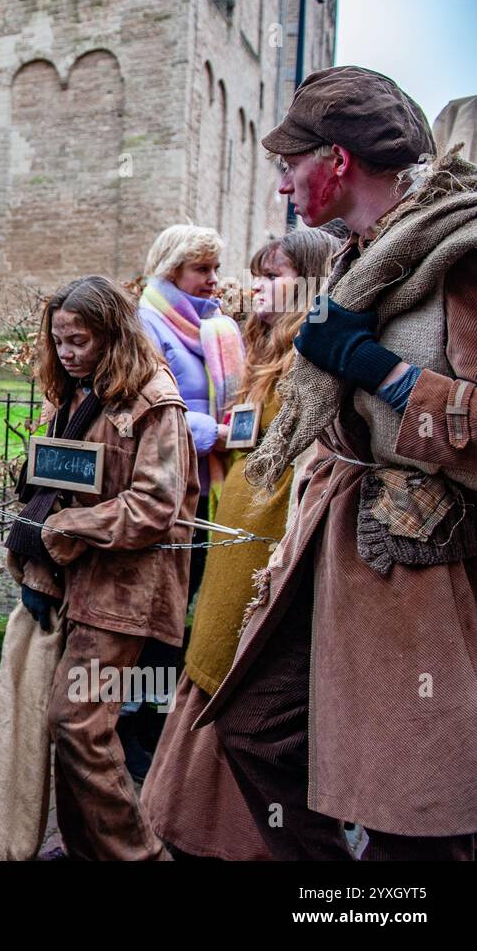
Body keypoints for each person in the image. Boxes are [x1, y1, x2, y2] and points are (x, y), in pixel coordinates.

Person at [200, 65, 477, 860]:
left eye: (292, 163)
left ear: (338, 160)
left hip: (420, 572)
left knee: (417, 821)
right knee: (254, 728)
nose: (284, 183)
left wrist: (377, 370)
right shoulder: (363, 257)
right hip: (335, 545)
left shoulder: (458, 252)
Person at [140, 228, 338, 860]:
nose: (249, 286)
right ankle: (206, 832)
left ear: (309, 283)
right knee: (212, 670)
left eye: (269, 274)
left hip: (268, 542)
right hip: (236, 527)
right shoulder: (258, 347)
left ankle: (245, 841)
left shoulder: (315, 356)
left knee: (242, 687)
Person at [0, 275, 197, 860]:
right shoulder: (80, 394)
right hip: (77, 581)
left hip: (128, 589)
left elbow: (155, 507)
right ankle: (87, 848)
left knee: (79, 722)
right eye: (58, 341)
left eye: (79, 340)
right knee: (71, 725)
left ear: (114, 334)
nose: (67, 353)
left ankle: (139, 854)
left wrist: (65, 529)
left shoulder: (153, 401)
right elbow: (58, 483)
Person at [126, 224, 245, 775]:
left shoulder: (213, 327)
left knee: (183, 598)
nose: (214, 280)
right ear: (173, 269)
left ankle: (155, 720)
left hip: (204, 490)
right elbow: (147, 400)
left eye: (215, 269)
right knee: (155, 604)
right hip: (164, 487)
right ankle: (135, 727)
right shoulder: (148, 324)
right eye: (203, 270)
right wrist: (214, 432)